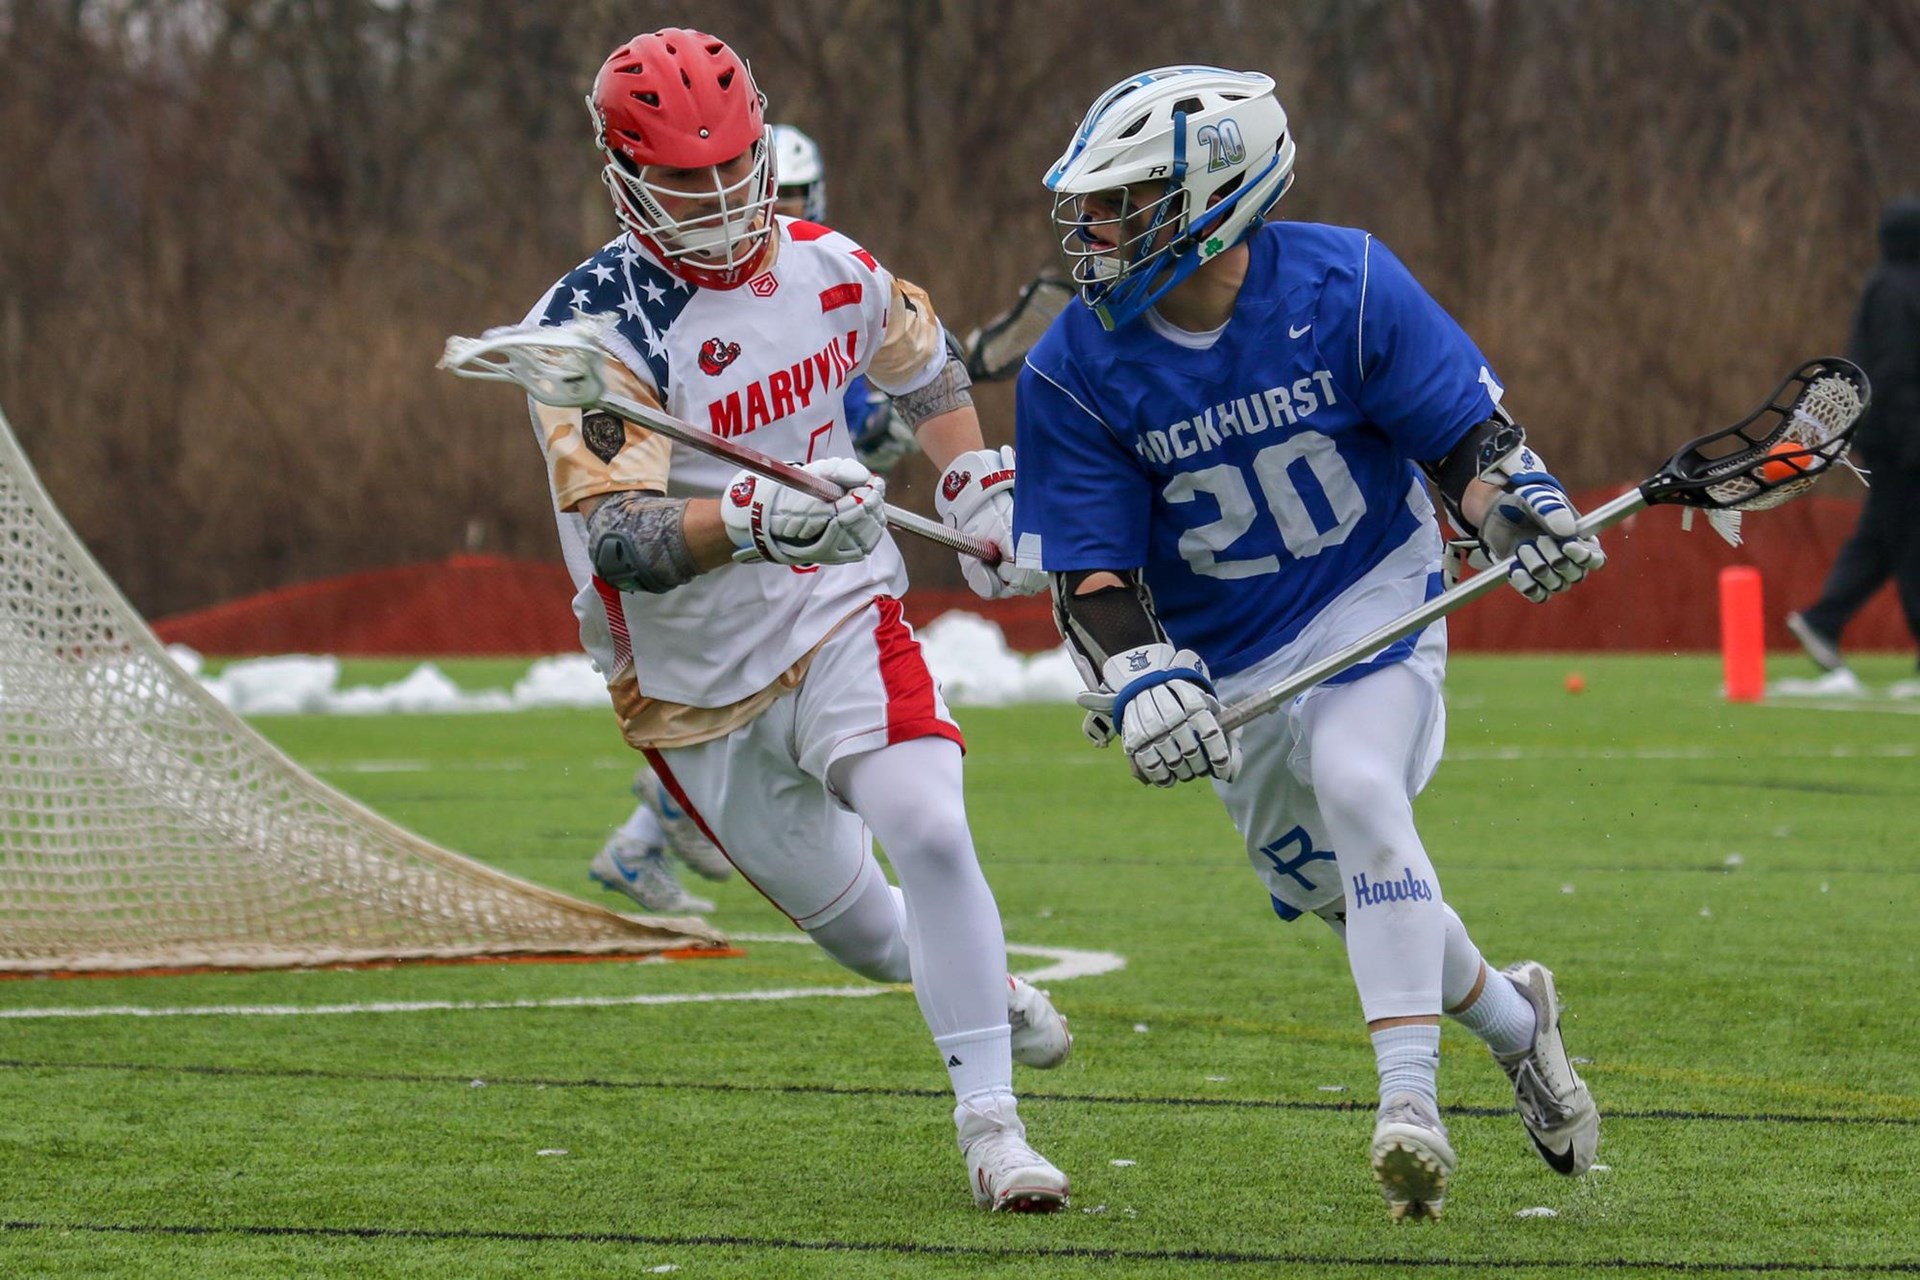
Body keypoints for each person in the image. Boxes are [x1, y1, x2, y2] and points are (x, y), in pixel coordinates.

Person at [1012, 65, 1604, 1221]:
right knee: (1360, 890)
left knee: (1359, 779)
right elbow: (1093, 578)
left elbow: (1464, 444)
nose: (1091, 230)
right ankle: (1519, 1022)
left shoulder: (1348, 281)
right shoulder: (1071, 368)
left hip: (1367, 592)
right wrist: (1140, 677)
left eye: (1122, 201)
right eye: (1089, 202)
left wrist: (1513, 513)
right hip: (1226, 661)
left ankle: (1408, 1108)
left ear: (1218, 197)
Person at [522, 28, 1069, 1212]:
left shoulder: (827, 265)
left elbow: (920, 356)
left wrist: (971, 478)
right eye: (684, 179)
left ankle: (994, 1127)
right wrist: (752, 515)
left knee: (928, 826)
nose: (720, 199)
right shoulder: (590, 331)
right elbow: (623, 540)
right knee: (875, 937)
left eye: (735, 167)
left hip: (836, 610)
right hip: (690, 686)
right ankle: (993, 992)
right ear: (624, 173)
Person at [586, 122, 911, 916]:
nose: (734, 205)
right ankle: (653, 828)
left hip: (813, 585)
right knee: (737, 718)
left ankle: (649, 832)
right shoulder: (641, 316)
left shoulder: (822, 276)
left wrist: (895, 432)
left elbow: (854, 408)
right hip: (715, 585)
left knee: (876, 770)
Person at [1787, 198, 1920, 695]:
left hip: (1892, 439)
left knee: (1883, 539)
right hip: (1903, 443)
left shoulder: (1888, 285)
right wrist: (1912, 441)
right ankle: (1824, 619)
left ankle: (1823, 620)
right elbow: (1897, 372)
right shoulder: (1899, 291)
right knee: (1910, 543)